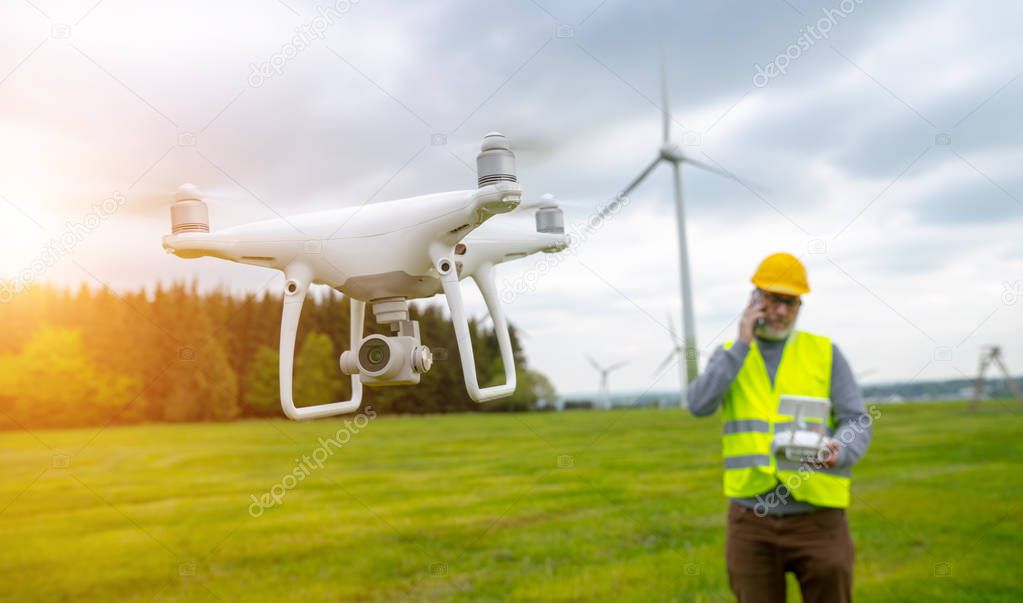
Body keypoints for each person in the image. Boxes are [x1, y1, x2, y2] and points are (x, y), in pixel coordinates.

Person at [687, 252, 872, 603]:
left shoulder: (825, 353)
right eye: (774, 300)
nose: (782, 311)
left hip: (818, 518)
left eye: (791, 303)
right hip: (750, 520)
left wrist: (841, 450)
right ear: (755, 299)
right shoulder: (730, 355)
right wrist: (741, 345)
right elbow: (698, 404)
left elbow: (856, 420)